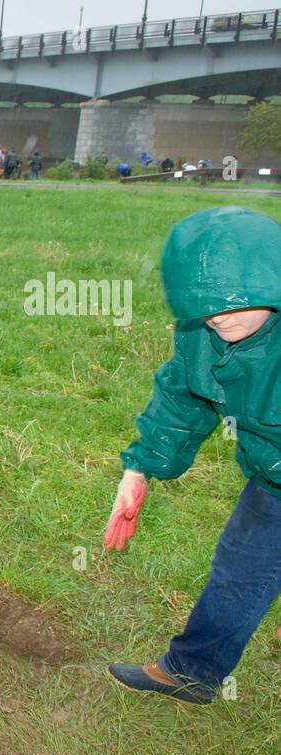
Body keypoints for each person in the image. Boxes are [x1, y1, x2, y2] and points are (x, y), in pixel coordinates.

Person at [106, 207, 281, 706]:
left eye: (234, 302)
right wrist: (140, 468)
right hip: (272, 477)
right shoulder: (200, 337)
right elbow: (180, 400)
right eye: (204, 306)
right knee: (240, 566)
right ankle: (193, 671)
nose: (218, 316)